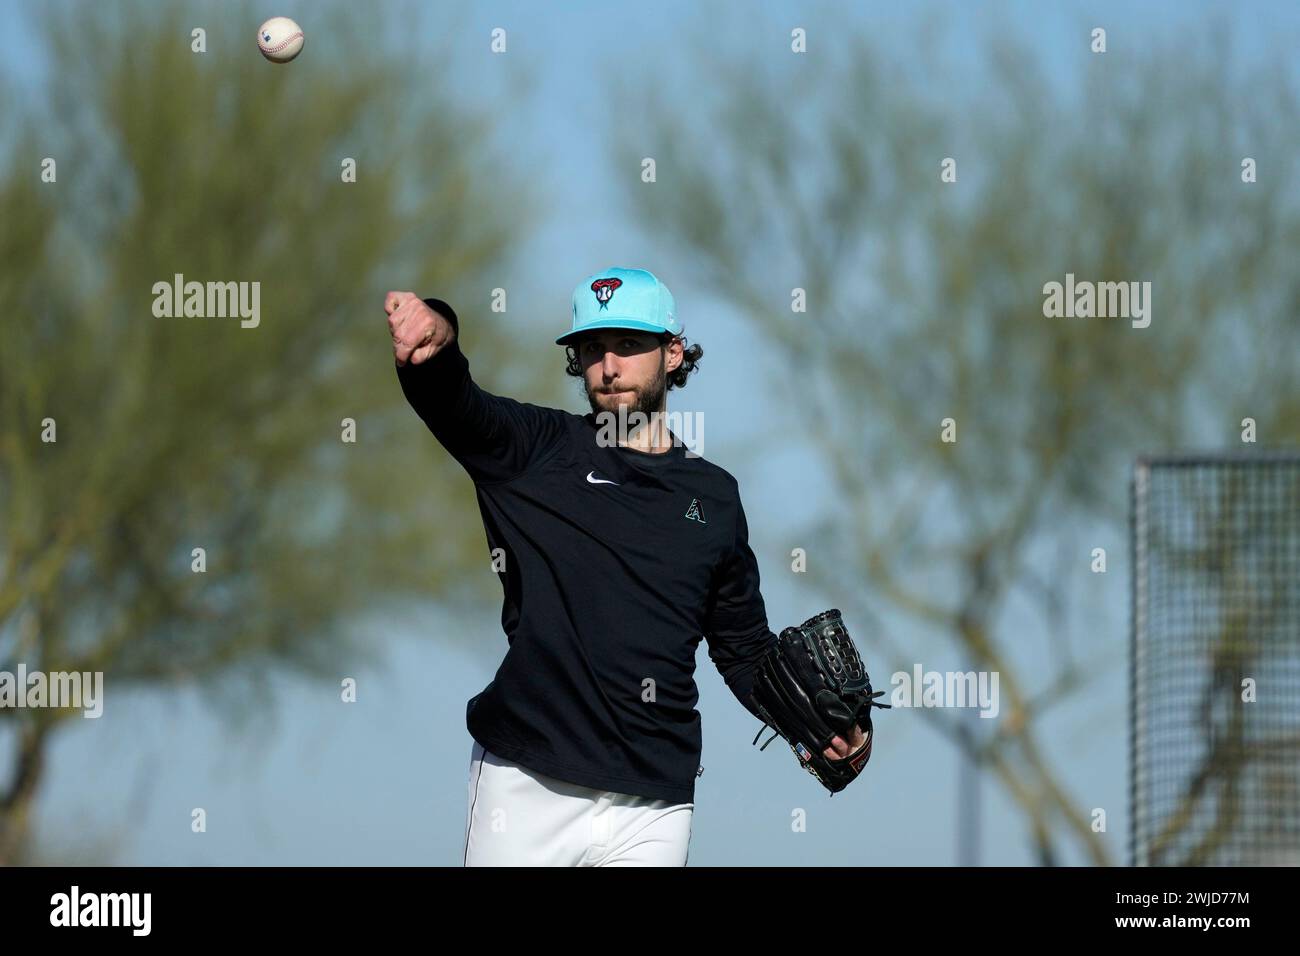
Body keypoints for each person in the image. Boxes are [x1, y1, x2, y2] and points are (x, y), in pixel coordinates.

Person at [386, 267, 865, 866]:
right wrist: (438, 337)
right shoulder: (535, 451)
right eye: (591, 348)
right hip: (528, 781)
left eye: (628, 345)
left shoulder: (714, 498)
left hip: (654, 800)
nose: (608, 365)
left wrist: (814, 724)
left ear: (672, 353)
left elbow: (741, 648)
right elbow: (455, 403)